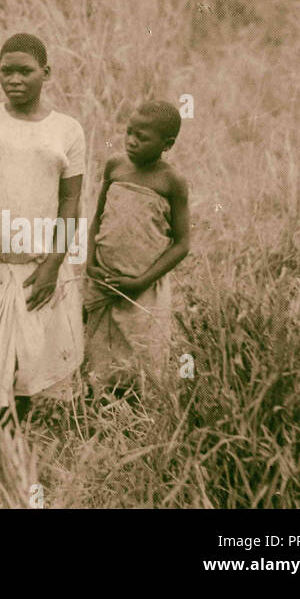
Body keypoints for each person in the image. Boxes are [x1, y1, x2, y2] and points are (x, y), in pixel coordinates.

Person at [0, 34, 85, 420]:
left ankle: (12, 451)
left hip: (36, 267)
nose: (14, 80)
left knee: (27, 363)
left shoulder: (68, 130)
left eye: (25, 71)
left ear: (46, 73)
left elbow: (70, 201)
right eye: (6, 71)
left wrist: (53, 265)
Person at [84, 100, 190, 389]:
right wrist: (90, 261)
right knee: (97, 354)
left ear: (167, 144)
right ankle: (97, 404)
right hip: (102, 280)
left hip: (143, 288)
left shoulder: (172, 182)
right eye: (128, 132)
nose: (131, 141)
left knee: (141, 354)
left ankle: (134, 408)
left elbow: (182, 244)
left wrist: (141, 281)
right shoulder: (115, 166)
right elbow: (98, 217)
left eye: (141, 138)